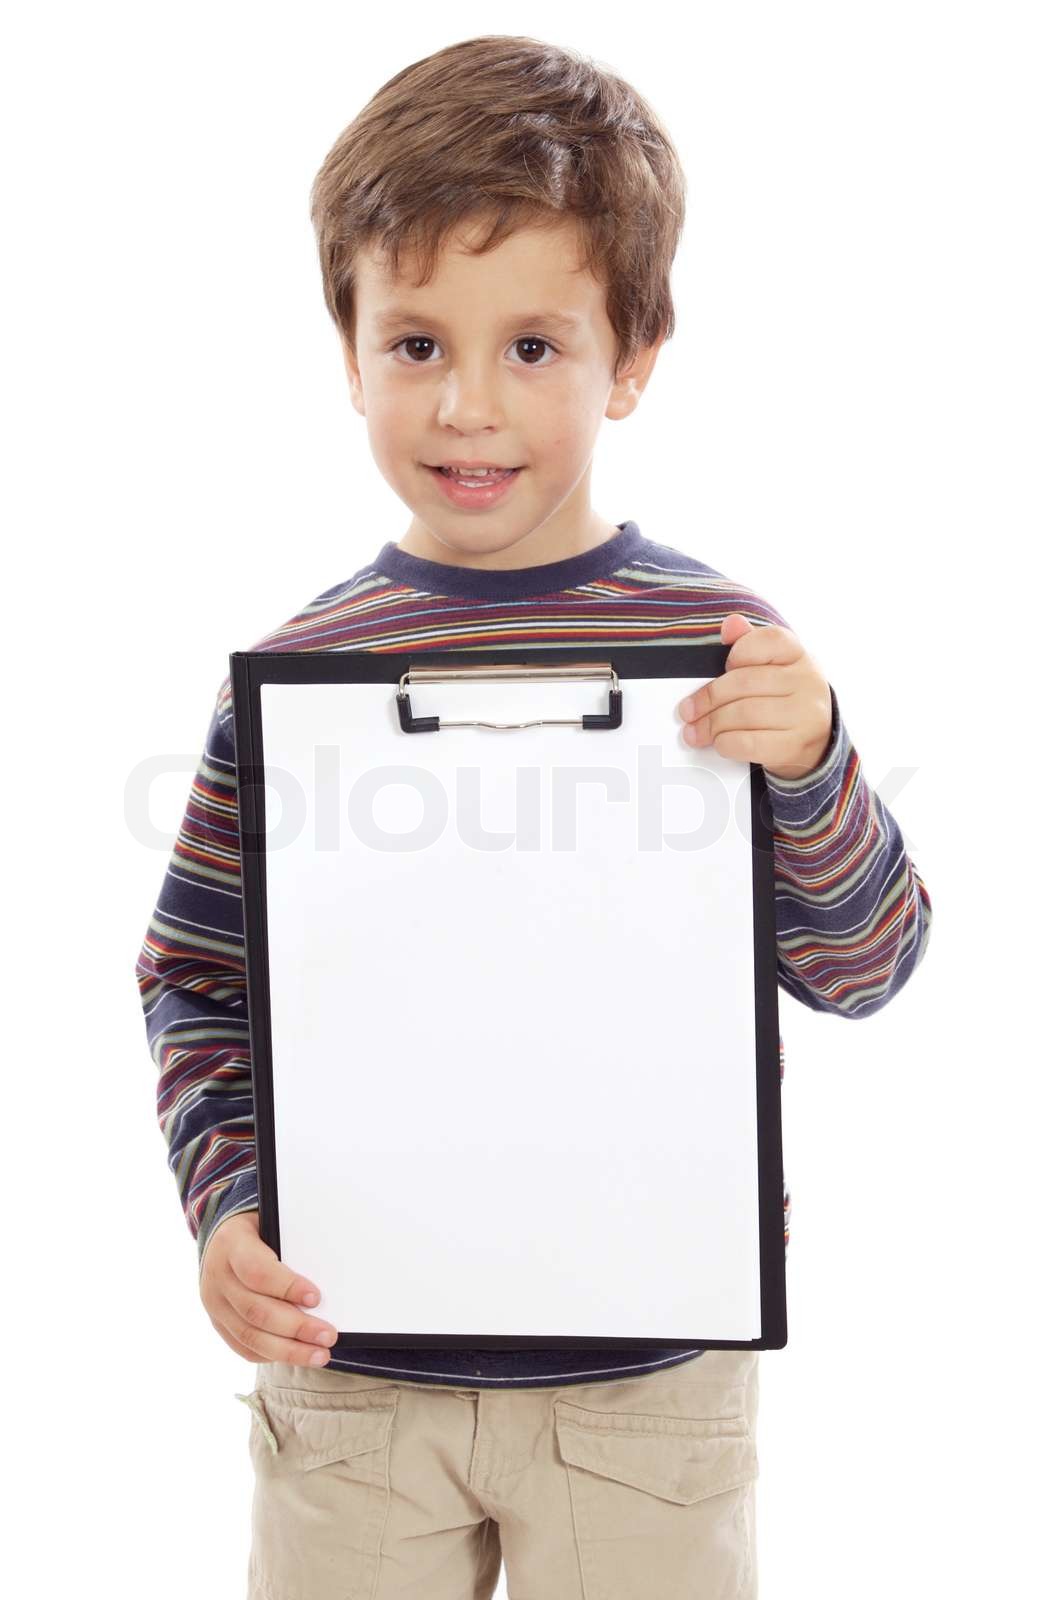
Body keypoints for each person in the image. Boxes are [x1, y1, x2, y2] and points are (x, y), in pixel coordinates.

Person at [134, 33, 932, 1600]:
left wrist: (816, 763)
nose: (469, 407)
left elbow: (869, 965)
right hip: (354, 1367)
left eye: (535, 348)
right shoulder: (302, 671)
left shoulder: (727, 648)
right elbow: (196, 975)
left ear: (631, 356)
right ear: (348, 350)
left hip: (648, 1385)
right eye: (417, 343)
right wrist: (227, 1202)